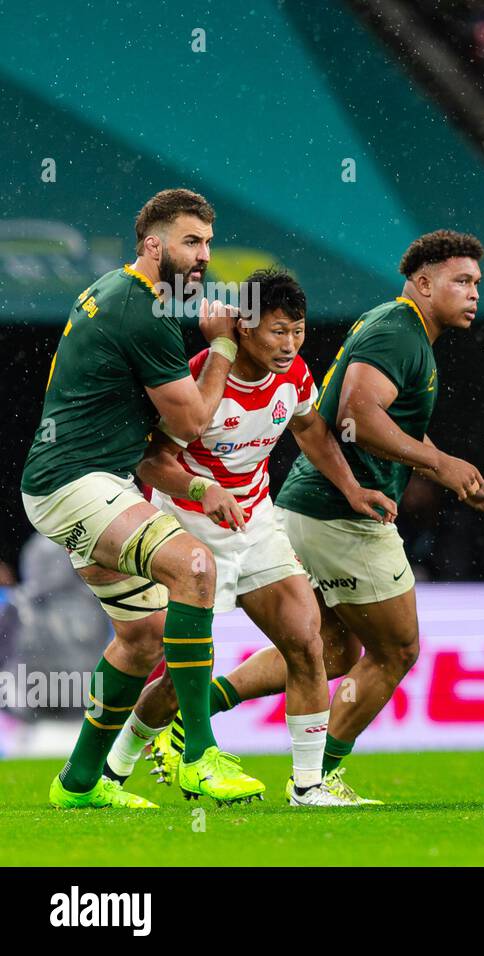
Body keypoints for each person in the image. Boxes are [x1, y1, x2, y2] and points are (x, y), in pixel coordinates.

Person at [150, 230, 484, 805]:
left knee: (330, 650)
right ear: (422, 283)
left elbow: (356, 419)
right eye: (463, 281)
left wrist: (452, 475)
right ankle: (318, 778)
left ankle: (194, 713)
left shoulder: (399, 330)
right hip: (339, 516)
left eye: (477, 283)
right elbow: (356, 418)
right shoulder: (399, 332)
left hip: (309, 504)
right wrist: (439, 464)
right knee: (398, 651)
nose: (476, 292)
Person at [101, 270, 396, 806]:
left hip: (255, 520)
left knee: (307, 643)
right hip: (187, 525)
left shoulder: (296, 374)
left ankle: (307, 786)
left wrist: (352, 489)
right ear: (242, 327)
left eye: (298, 331)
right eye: (276, 331)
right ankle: (114, 771)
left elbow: (310, 430)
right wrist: (202, 487)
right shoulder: (195, 380)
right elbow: (150, 459)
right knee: (184, 676)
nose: (288, 346)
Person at [22, 188, 263, 808]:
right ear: (153, 245)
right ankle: (198, 757)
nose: (205, 254)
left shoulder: (121, 291)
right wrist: (224, 345)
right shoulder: (144, 311)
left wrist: (198, 485)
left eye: (208, 241)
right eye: (191, 241)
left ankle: (78, 784)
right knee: (195, 566)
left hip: (70, 480)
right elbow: (189, 423)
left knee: (145, 635)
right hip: (76, 480)